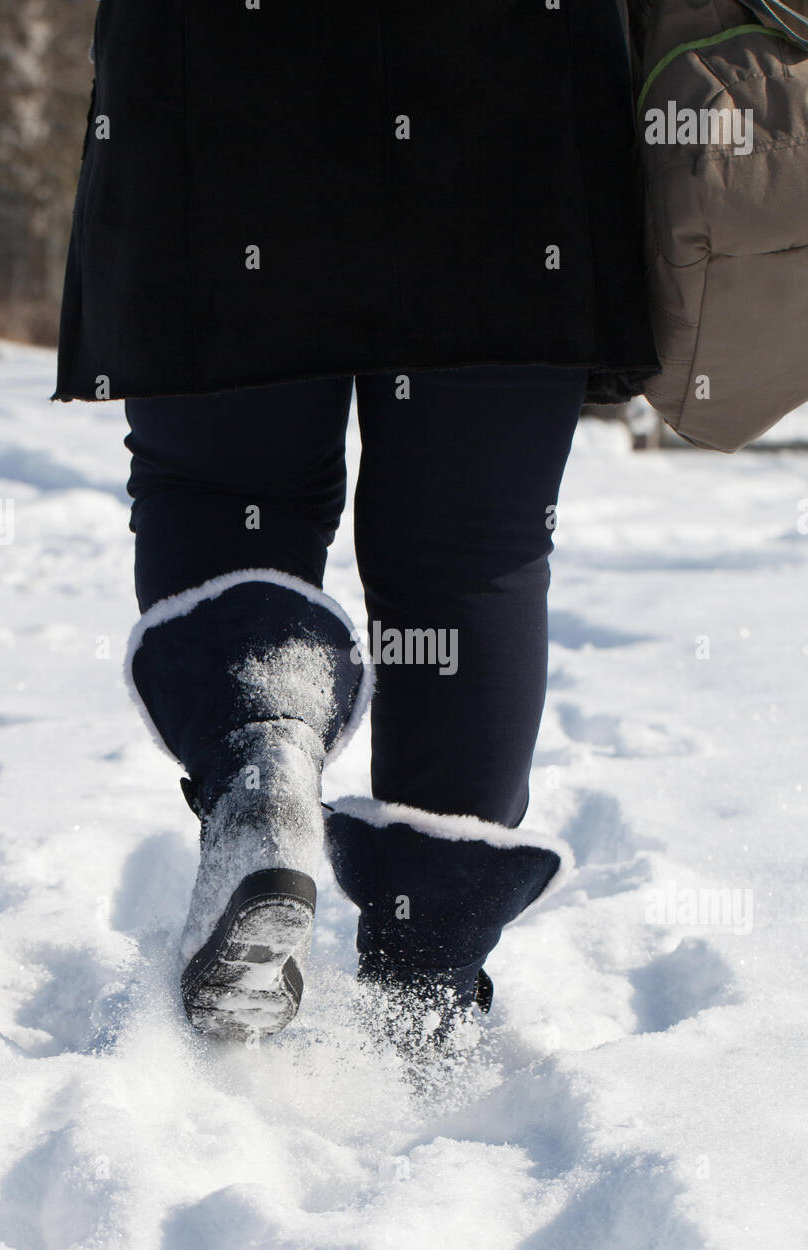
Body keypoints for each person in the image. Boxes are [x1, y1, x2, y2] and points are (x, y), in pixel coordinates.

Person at [53, 1, 658, 1049]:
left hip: (223, 78)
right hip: (512, 91)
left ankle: (262, 760)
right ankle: (429, 970)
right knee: (470, 548)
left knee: (221, 489)